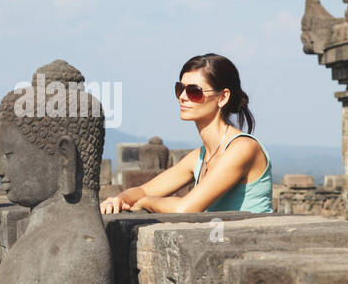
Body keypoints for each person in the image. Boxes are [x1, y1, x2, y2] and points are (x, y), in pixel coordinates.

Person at [100, 53, 272, 215]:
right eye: (179, 89)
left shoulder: (243, 148)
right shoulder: (199, 156)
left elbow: (185, 208)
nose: (182, 97)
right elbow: (143, 189)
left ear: (222, 97)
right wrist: (118, 200)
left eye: (194, 91)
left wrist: (146, 202)